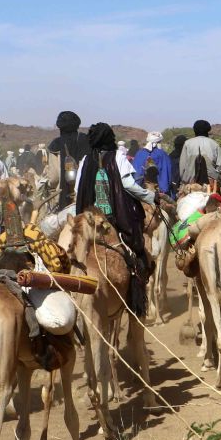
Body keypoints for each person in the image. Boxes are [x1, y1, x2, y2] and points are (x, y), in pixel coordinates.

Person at [74, 123, 151, 315]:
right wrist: (151, 197)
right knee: (136, 249)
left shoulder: (85, 160)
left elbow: (77, 189)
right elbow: (129, 185)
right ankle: (136, 287)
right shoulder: (118, 157)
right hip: (113, 219)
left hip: (88, 218)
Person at [47, 111, 90, 209]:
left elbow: (54, 177)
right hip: (86, 194)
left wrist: (50, 187)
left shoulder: (56, 144)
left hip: (64, 196)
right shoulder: (87, 140)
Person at [180, 120, 221, 184]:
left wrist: (184, 178)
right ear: (207, 131)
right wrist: (216, 174)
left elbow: (182, 166)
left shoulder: (187, 143)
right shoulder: (214, 143)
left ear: (195, 131)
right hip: (211, 182)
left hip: (190, 181)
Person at [133, 131, 173, 196]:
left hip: (140, 190)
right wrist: (164, 190)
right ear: (158, 142)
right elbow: (165, 172)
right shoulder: (162, 154)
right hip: (156, 190)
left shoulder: (139, 153)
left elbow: (136, 172)